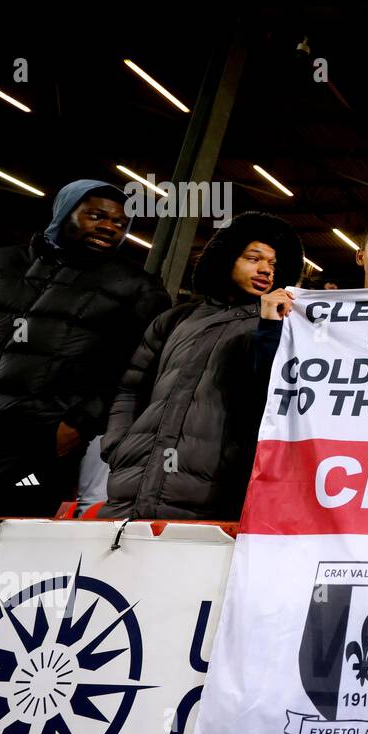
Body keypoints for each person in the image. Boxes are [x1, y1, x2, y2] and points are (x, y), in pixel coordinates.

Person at [0, 179, 170, 515]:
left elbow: (134, 371)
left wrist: (79, 424)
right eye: (96, 216)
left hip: (35, 445)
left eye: (121, 224)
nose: (109, 228)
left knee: (9, 542)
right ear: (64, 213)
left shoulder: (137, 289)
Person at [100, 212, 303, 521]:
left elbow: (274, 392)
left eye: (274, 265)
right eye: (254, 258)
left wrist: (270, 327)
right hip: (130, 487)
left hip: (214, 495)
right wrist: (117, 445)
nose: (265, 270)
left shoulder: (282, 326)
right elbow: (130, 387)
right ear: (227, 258)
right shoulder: (175, 319)